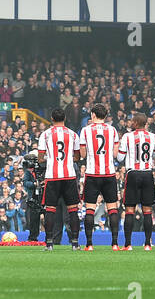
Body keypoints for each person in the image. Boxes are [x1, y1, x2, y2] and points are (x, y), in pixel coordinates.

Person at [37, 107, 80, 251]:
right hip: (69, 176)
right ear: (65, 119)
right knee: (73, 210)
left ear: (52, 119)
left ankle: (49, 243)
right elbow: (78, 157)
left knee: (50, 210)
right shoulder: (73, 134)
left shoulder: (46, 135)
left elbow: (40, 158)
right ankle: (75, 243)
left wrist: (50, 158)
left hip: (52, 176)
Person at [78, 103, 120, 250]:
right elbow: (115, 154)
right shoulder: (113, 130)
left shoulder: (85, 130)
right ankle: (115, 243)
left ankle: (89, 244)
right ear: (106, 116)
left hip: (92, 174)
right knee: (112, 208)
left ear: (93, 115)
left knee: (89, 209)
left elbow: (82, 154)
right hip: (109, 173)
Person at [117, 112, 155, 250]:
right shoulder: (153, 137)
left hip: (132, 173)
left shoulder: (128, 137)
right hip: (147, 174)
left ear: (135, 123)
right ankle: (147, 244)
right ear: (146, 123)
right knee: (147, 210)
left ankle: (128, 244)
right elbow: (154, 154)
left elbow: (120, 158)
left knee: (129, 210)